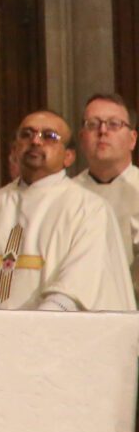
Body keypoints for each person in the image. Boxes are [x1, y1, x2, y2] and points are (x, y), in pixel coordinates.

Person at [0, 112, 137, 311]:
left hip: (54, 334)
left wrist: (35, 329)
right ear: (14, 150)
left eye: (49, 136)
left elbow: (80, 284)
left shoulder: (87, 209)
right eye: (26, 134)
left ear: (68, 156)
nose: (36, 141)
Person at [73, 92, 139, 297]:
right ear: (82, 137)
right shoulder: (66, 195)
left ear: (132, 139)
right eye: (93, 124)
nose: (102, 131)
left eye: (113, 124)